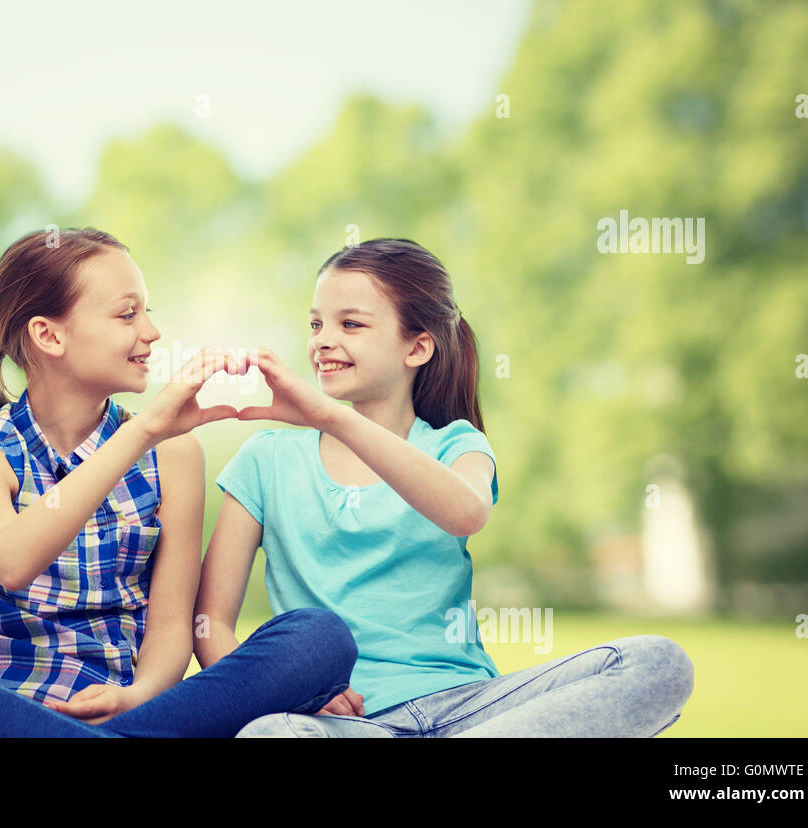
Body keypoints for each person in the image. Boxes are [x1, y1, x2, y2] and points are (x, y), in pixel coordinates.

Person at [0, 227, 357, 737]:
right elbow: (11, 562)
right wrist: (141, 431)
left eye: (148, 312)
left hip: (127, 708)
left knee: (318, 640)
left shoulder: (174, 456)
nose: (151, 332)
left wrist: (139, 695)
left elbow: (173, 625)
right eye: (128, 314)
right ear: (49, 334)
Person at [194, 238, 695, 737]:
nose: (323, 340)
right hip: (348, 726)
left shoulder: (457, 444)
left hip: (471, 710)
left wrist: (332, 418)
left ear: (418, 346)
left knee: (657, 662)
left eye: (351, 324)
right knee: (269, 734)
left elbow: (466, 512)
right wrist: (286, 691)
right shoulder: (267, 459)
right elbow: (210, 622)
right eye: (316, 324)